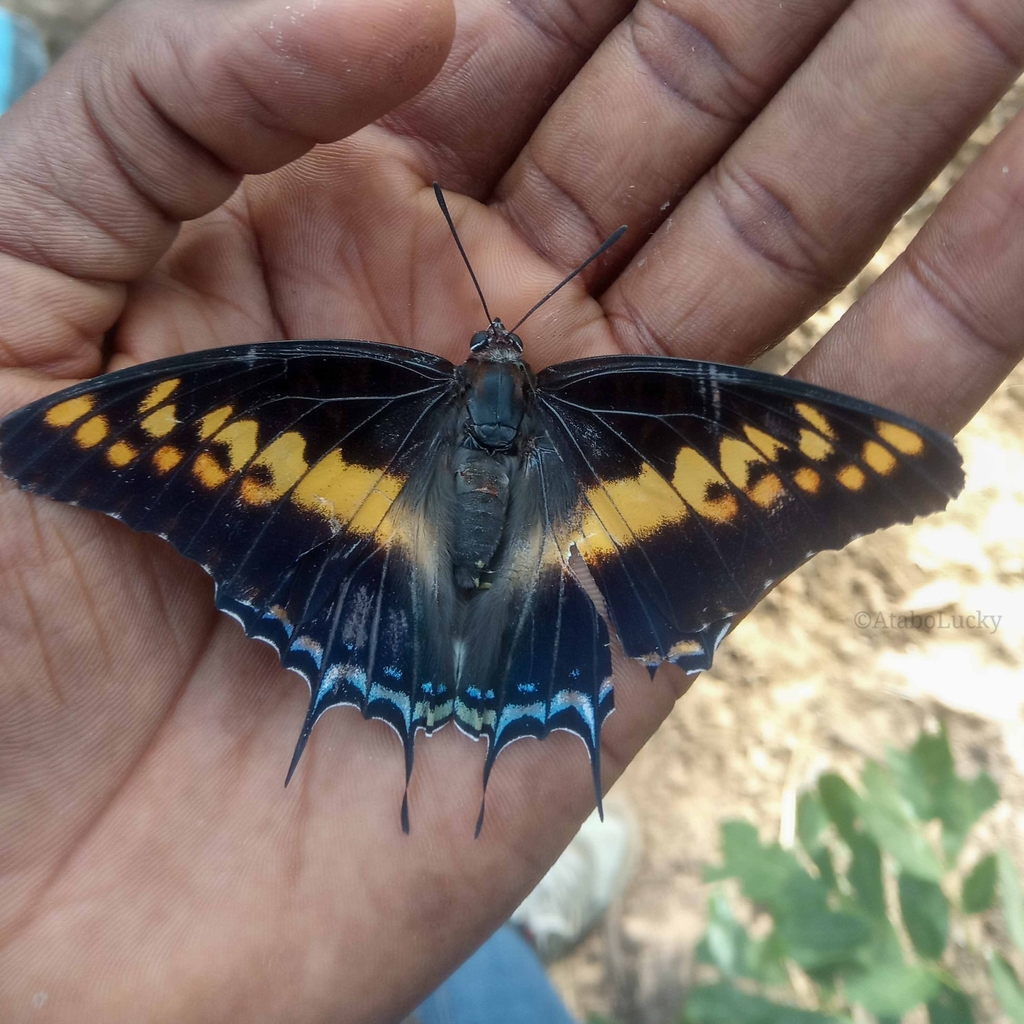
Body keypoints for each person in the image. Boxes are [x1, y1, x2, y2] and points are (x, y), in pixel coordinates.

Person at [0, 0, 1021, 1020]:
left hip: (372, 560)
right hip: (548, 568)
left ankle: (495, 930)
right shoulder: (643, 417)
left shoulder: (328, 392)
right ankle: (511, 938)